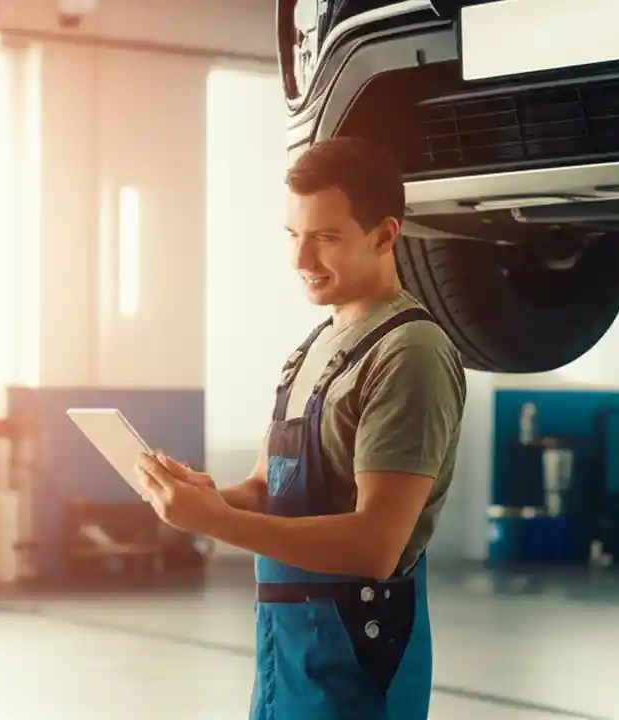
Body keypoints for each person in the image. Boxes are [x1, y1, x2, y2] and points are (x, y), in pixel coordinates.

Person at [136, 136, 467, 720]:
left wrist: (220, 522)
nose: (301, 260)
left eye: (326, 238)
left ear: (386, 235)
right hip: (286, 654)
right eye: (294, 236)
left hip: (355, 666)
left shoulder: (408, 353)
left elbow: (376, 546)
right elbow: (268, 490)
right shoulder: (312, 348)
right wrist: (204, 497)